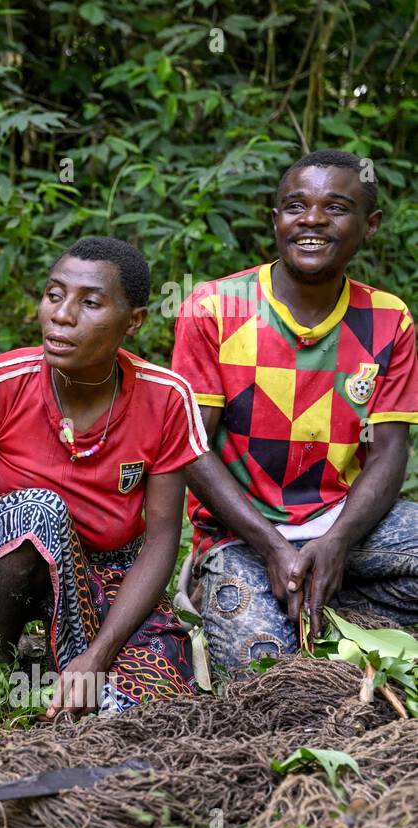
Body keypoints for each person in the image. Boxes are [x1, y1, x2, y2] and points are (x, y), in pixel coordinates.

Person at [173, 149, 418, 676]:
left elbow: (390, 451)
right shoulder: (215, 307)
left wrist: (336, 542)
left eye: (335, 207)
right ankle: (240, 598)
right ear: (276, 220)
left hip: (344, 526)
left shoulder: (388, 318)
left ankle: (332, 608)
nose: (311, 220)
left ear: (369, 225)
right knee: (266, 673)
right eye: (295, 206)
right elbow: (193, 450)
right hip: (242, 536)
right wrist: (274, 546)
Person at [0, 237, 205, 718]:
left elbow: (163, 539)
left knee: (150, 704)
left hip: (111, 571)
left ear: (134, 320)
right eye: (54, 294)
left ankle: (75, 667)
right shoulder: (0, 383)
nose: (62, 315)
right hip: (10, 570)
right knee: (38, 509)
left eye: (90, 302)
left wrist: (98, 657)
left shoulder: (166, 399)